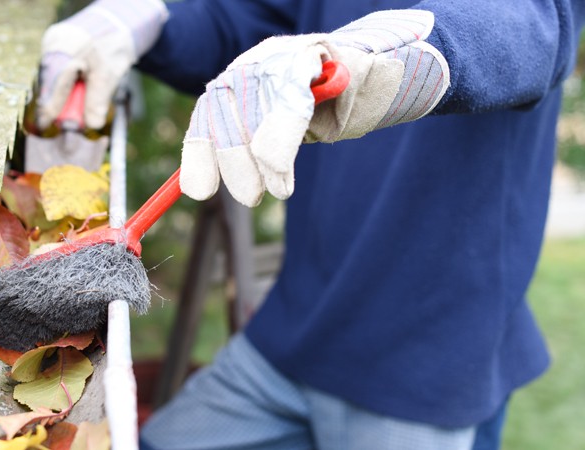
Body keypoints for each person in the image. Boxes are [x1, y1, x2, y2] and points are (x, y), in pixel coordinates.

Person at [37, 0, 585, 449]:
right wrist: (143, 19)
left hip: (423, 372)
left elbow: (523, 28)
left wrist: (368, 51)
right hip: (291, 336)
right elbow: (245, 22)